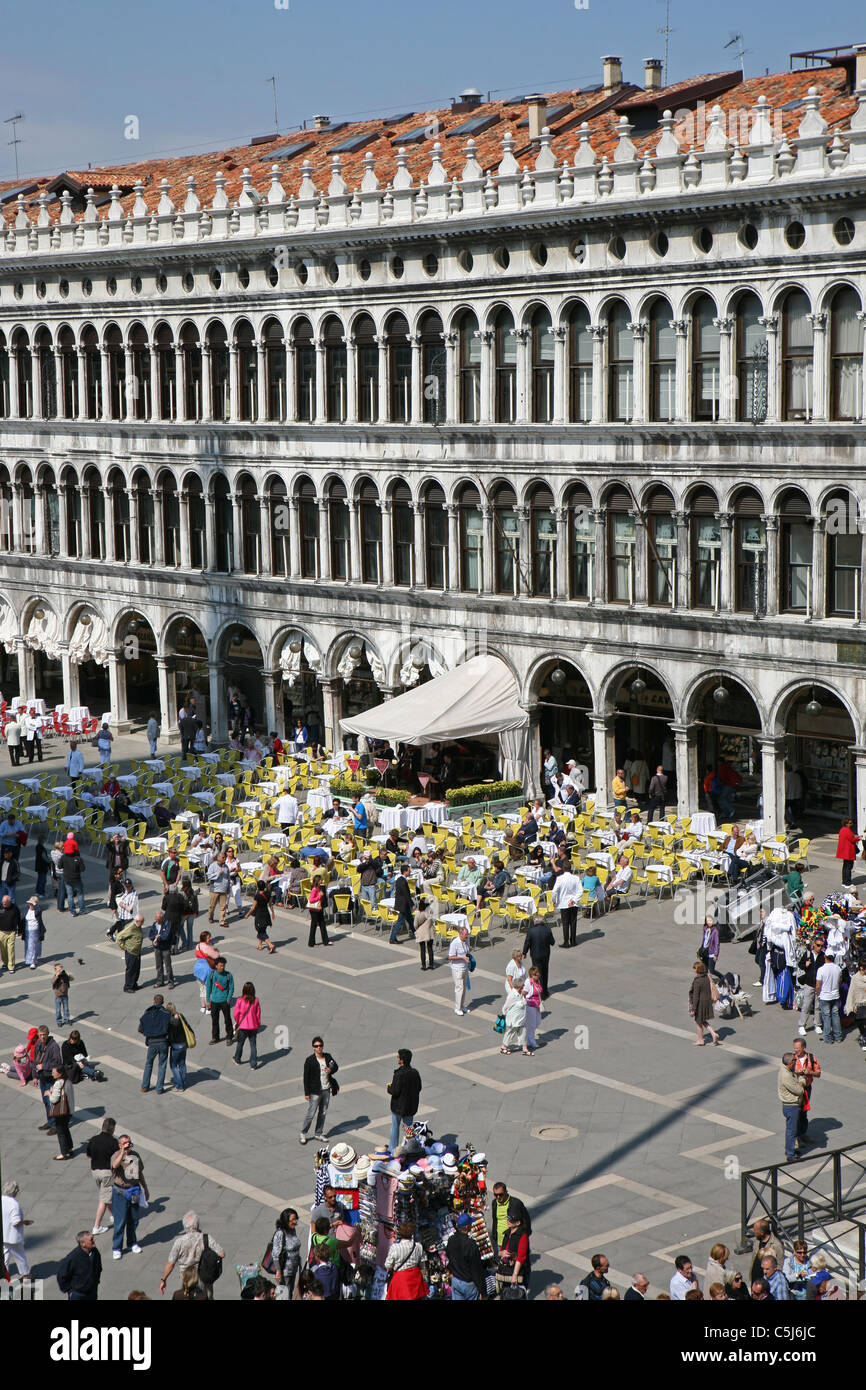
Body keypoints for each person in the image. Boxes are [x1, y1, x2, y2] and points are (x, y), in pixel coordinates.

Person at [159, 1211, 225, 1300]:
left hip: (187, 1277)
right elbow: (222, 1253)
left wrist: (163, 1280)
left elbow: (170, 1264)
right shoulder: (206, 1238)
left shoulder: (179, 1242)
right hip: (205, 1275)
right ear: (197, 1224)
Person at [110, 1135, 149, 1260]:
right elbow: (115, 1166)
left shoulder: (135, 1155)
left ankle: (132, 1242)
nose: (128, 1145)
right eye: (125, 1143)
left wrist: (145, 1188)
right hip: (120, 1192)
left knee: (134, 1219)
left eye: (129, 1142)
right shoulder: (116, 1155)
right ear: (120, 1145)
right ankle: (117, 1247)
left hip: (134, 1190)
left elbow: (140, 1173)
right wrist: (122, 1153)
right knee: (120, 1221)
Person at [299, 1037, 337, 1144]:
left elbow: (335, 1066)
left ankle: (318, 1133)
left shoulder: (327, 1057)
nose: (318, 1048)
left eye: (320, 1045)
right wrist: (306, 1093)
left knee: (323, 1112)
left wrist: (331, 1069)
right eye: (316, 1046)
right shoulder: (310, 1060)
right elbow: (306, 1078)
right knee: (311, 1113)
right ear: (313, 1048)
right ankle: (303, 1132)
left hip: (326, 1089)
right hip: (315, 1091)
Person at [86, 1117, 119, 1235]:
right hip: (106, 1173)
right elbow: (117, 1157)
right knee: (104, 1200)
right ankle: (97, 1226)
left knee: (105, 1194)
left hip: (95, 1171)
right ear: (112, 1129)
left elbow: (88, 1155)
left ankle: (114, 1215)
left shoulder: (93, 1139)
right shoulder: (113, 1141)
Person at [387, 1047, 422, 1150]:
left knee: (395, 1127)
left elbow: (395, 1091)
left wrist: (389, 1087)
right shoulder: (415, 1073)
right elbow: (419, 1087)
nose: (397, 1058)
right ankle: (410, 1148)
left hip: (398, 1107)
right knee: (409, 1129)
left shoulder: (399, 1074)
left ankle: (392, 1148)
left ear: (402, 1060)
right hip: (410, 1106)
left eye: (398, 1057)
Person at [384, 1220, 428, 1300]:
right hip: (415, 1280)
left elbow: (388, 1265)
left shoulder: (395, 1248)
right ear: (412, 1233)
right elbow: (422, 1265)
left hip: (401, 1280)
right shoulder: (418, 1246)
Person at [447, 1211, 486, 1299]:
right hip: (468, 1284)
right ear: (467, 1226)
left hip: (456, 1280)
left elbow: (449, 1257)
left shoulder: (451, 1240)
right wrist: (483, 1291)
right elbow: (476, 1269)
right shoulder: (471, 1244)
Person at [778, 1052, 808, 1163]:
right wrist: (802, 1079)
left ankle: (789, 1150)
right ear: (790, 1062)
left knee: (790, 1129)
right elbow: (799, 1090)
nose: (796, 1063)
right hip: (791, 1106)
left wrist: (796, 1075)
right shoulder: (786, 1076)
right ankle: (790, 1155)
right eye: (794, 1061)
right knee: (792, 1130)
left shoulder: (785, 1070)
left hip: (789, 1106)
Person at [139, 993, 171, 1094]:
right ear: (162, 1003)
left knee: (149, 1064)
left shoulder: (147, 1013)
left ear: (154, 1001)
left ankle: (144, 1086)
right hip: (163, 1042)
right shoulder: (166, 1014)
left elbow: (140, 1029)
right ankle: (159, 1088)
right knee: (162, 1065)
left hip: (152, 1042)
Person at [33, 1025, 63, 1132]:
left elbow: (58, 1062)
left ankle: (55, 1125)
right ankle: (50, 1121)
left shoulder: (54, 1046)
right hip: (42, 1077)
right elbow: (35, 1061)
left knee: (52, 1101)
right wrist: (35, 1076)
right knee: (46, 1101)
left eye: (44, 1035)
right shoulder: (38, 1045)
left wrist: (44, 1066)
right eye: (40, 1035)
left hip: (51, 1077)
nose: (42, 1037)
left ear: (47, 1034)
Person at [57, 1231, 102, 1301]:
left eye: (93, 1238)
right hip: (78, 1294)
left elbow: (98, 1267)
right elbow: (62, 1275)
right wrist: (69, 1291)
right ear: (83, 1244)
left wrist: (96, 1282)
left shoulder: (95, 1252)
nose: (94, 1240)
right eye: (91, 1239)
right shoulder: (73, 1257)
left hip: (92, 1292)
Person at [2, 1179, 33, 1279]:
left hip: (3, 1234)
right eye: (17, 1189)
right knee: (20, 1256)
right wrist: (25, 1222)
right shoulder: (14, 1204)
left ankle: (4, 1274)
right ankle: (26, 1275)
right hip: (13, 1236)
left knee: (5, 1255)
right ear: (14, 1190)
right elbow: (15, 1222)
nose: (18, 1190)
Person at [497, 1212, 531, 1296]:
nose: (508, 1221)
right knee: (505, 1294)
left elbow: (521, 1257)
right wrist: (502, 1253)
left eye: (511, 1220)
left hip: (516, 1271)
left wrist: (515, 1275)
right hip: (505, 1270)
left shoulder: (523, 1236)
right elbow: (500, 1251)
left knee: (517, 1295)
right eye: (508, 1219)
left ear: (518, 1223)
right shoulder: (507, 1233)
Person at [522, 918, 555, 1000]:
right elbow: (552, 942)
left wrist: (524, 952)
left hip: (535, 955)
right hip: (545, 955)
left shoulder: (531, 931)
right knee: (545, 971)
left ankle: (540, 992)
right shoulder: (547, 930)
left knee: (537, 973)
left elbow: (527, 942)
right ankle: (545, 991)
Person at [271, 1208, 302, 1296]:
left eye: (296, 1219)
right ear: (286, 1220)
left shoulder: (292, 1230)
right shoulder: (280, 1233)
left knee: (290, 1291)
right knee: (284, 1293)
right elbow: (275, 1254)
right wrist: (278, 1271)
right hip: (285, 1271)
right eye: (293, 1220)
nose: (295, 1222)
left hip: (293, 1269)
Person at [689, 961, 720, 1046]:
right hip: (707, 1002)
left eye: (694, 968)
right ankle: (713, 1033)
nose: (693, 969)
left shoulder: (697, 981)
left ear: (698, 970)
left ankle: (700, 1040)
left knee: (698, 1022)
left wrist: (693, 1009)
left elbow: (695, 996)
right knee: (702, 1020)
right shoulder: (707, 977)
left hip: (700, 1004)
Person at [816, 951, 844, 1043]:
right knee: (835, 1015)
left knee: (826, 1017)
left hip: (825, 996)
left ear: (825, 956)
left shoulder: (821, 969)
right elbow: (840, 981)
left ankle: (827, 1038)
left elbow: (818, 985)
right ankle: (838, 1036)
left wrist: (818, 994)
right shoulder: (838, 968)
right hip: (835, 995)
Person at [233, 981, 261, 1069]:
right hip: (253, 1027)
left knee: (240, 1043)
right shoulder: (255, 1001)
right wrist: (257, 1024)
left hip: (243, 1026)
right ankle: (253, 1064)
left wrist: (238, 1022)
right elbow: (258, 1014)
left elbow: (236, 1013)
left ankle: (237, 1059)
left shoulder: (240, 1000)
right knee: (253, 1045)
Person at [206, 957, 235, 1045]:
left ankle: (229, 1036)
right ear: (216, 966)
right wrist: (208, 1000)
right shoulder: (211, 975)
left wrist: (229, 998)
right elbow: (208, 988)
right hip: (214, 1001)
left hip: (224, 1001)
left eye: (223, 966)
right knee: (214, 1020)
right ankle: (215, 1037)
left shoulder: (228, 975)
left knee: (227, 1020)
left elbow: (231, 987)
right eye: (220, 966)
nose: (222, 967)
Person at [551, 865, 582, 947]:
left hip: (564, 903)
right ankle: (573, 941)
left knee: (565, 923)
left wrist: (554, 900)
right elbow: (580, 891)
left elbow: (554, 891)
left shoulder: (560, 879)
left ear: (564, 869)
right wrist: (574, 900)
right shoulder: (576, 878)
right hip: (573, 903)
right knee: (573, 922)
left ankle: (566, 942)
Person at [501, 970, 530, 1056]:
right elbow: (505, 1007)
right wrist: (504, 1015)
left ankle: (525, 1048)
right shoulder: (512, 995)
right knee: (510, 1034)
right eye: (523, 985)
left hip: (521, 1019)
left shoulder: (521, 993)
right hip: (513, 1020)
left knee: (523, 1033)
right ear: (519, 986)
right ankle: (504, 1047)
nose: (524, 986)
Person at [48, 1064, 74, 1159]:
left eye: (54, 1072)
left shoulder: (58, 1083)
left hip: (61, 1112)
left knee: (61, 1132)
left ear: (60, 1073)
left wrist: (49, 1094)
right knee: (66, 1129)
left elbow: (54, 1099)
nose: (52, 1074)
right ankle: (70, 1148)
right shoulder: (68, 1081)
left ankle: (63, 1153)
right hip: (69, 1110)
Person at [116, 912, 144, 994]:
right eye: (142, 922)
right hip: (131, 952)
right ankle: (127, 986)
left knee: (136, 969)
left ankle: (134, 984)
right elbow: (119, 937)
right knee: (130, 969)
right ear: (137, 921)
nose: (142, 923)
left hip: (137, 951)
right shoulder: (131, 928)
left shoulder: (138, 926)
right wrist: (123, 947)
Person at [245, 880, 276, 954]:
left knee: (259, 930)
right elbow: (270, 905)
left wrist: (247, 914)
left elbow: (253, 907)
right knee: (262, 929)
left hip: (259, 915)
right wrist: (273, 913)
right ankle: (260, 945)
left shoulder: (257, 896)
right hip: (266, 914)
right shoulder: (268, 894)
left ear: (258, 887)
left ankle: (270, 945)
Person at [165, 1001, 190, 1091]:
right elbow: (187, 1026)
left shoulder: (168, 1020)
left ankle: (179, 1085)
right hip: (184, 1044)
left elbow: (168, 1034)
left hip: (175, 1046)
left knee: (173, 1065)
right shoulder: (180, 1016)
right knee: (182, 1064)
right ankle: (182, 1082)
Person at [149, 909, 176, 989]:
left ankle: (170, 981)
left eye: (158, 919)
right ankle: (160, 981)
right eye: (156, 919)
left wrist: (158, 938)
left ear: (162, 918)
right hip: (157, 948)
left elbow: (166, 936)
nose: (157, 920)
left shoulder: (168, 924)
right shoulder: (154, 925)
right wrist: (155, 938)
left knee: (168, 966)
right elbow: (151, 935)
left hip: (165, 948)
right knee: (158, 965)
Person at [194, 930, 219, 1013]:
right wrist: (215, 950)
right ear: (204, 938)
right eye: (208, 937)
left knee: (202, 989)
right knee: (207, 990)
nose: (210, 938)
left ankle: (203, 1006)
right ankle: (208, 1008)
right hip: (206, 969)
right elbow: (216, 955)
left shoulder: (198, 946)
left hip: (198, 969)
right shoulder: (207, 947)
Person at [449, 924, 471, 1015]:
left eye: (467, 935)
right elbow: (451, 957)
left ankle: (462, 1006)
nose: (467, 936)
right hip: (457, 969)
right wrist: (462, 958)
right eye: (466, 935)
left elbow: (467, 953)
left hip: (464, 968)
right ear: (461, 934)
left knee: (464, 988)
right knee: (459, 988)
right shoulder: (455, 942)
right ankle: (457, 1008)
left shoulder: (465, 942)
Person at [389, 864, 415, 943]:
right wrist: (412, 904)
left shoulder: (399, 879)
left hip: (402, 903)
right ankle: (392, 938)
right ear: (405, 872)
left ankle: (416, 933)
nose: (410, 872)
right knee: (400, 922)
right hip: (403, 905)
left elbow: (402, 892)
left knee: (410, 920)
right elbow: (405, 894)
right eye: (409, 871)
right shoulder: (403, 881)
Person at [60, 837, 86, 916]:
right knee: (80, 894)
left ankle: (72, 911)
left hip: (67, 879)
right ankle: (82, 909)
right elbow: (83, 869)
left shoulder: (63, 857)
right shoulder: (77, 858)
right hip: (77, 878)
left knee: (70, 895)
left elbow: (59, 866)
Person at [206, 852, 231, 928]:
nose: (224, 859)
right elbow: (209, 876)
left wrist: (228, 887)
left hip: (223, 889)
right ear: (218, 858)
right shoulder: (212, 866)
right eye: (223, 857)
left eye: (225, 857)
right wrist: (218, 874)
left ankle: (222, 921)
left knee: (223, 906)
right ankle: (211, 916)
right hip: (215, 889)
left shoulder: (226, 867)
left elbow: (228, 877)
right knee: (212, 906)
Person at [21, 894, 45, 969]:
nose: (30, 905)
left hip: (35, 931)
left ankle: (33, 961)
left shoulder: (38, 910)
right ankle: (29, 959)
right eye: (30, 903)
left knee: (33, 946)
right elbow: (22, 919)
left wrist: (35, 905)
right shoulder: (26, 909)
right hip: (27, 930)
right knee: (28, 946)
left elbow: (39, 912)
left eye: (32, 904)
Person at [524, 966, 543, 1052]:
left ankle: (528, 1039)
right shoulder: (528, 982)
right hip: (530, 1005)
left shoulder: (537, 981)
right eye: (535, 974)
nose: (537, 976)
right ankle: (532, 1041)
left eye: (538, 974)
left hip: (537, 1004)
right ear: (531, 975)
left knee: (537, 1022)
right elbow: (524, 993)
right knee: (531, 1024)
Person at [836, 818, 860, 887]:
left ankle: (844, 882)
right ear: (846, 824)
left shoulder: (842, 829)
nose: (851, 824)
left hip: (844, 851)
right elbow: (852, 839)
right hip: (848, 852)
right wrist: (858, 838)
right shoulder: (847, 830)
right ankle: (847, 882)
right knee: (848, 867)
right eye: (850, 823)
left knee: (845, 867)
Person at [414, 895, 434, 971]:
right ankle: (431, 964)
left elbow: (415, 925)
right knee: (430, 948)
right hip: (429, 930)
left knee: (422, 949)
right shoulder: (430, 911)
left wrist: (417, 930)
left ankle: (424, 965)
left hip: (421, 931)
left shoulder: (418, 913)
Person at [52, 960, 73, 1026]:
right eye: (59, 968)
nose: (61, 969)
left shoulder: (64, 975)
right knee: (58, 1010)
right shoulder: (55, 976)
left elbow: (71, 979)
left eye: (61, 967)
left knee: (66, 1008)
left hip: (65, 995)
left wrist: (69, 976)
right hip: (58, 996)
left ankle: (66, 1019)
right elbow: (52, 982)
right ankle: (59, 1021)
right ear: (55, 970)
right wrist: (57, 975)